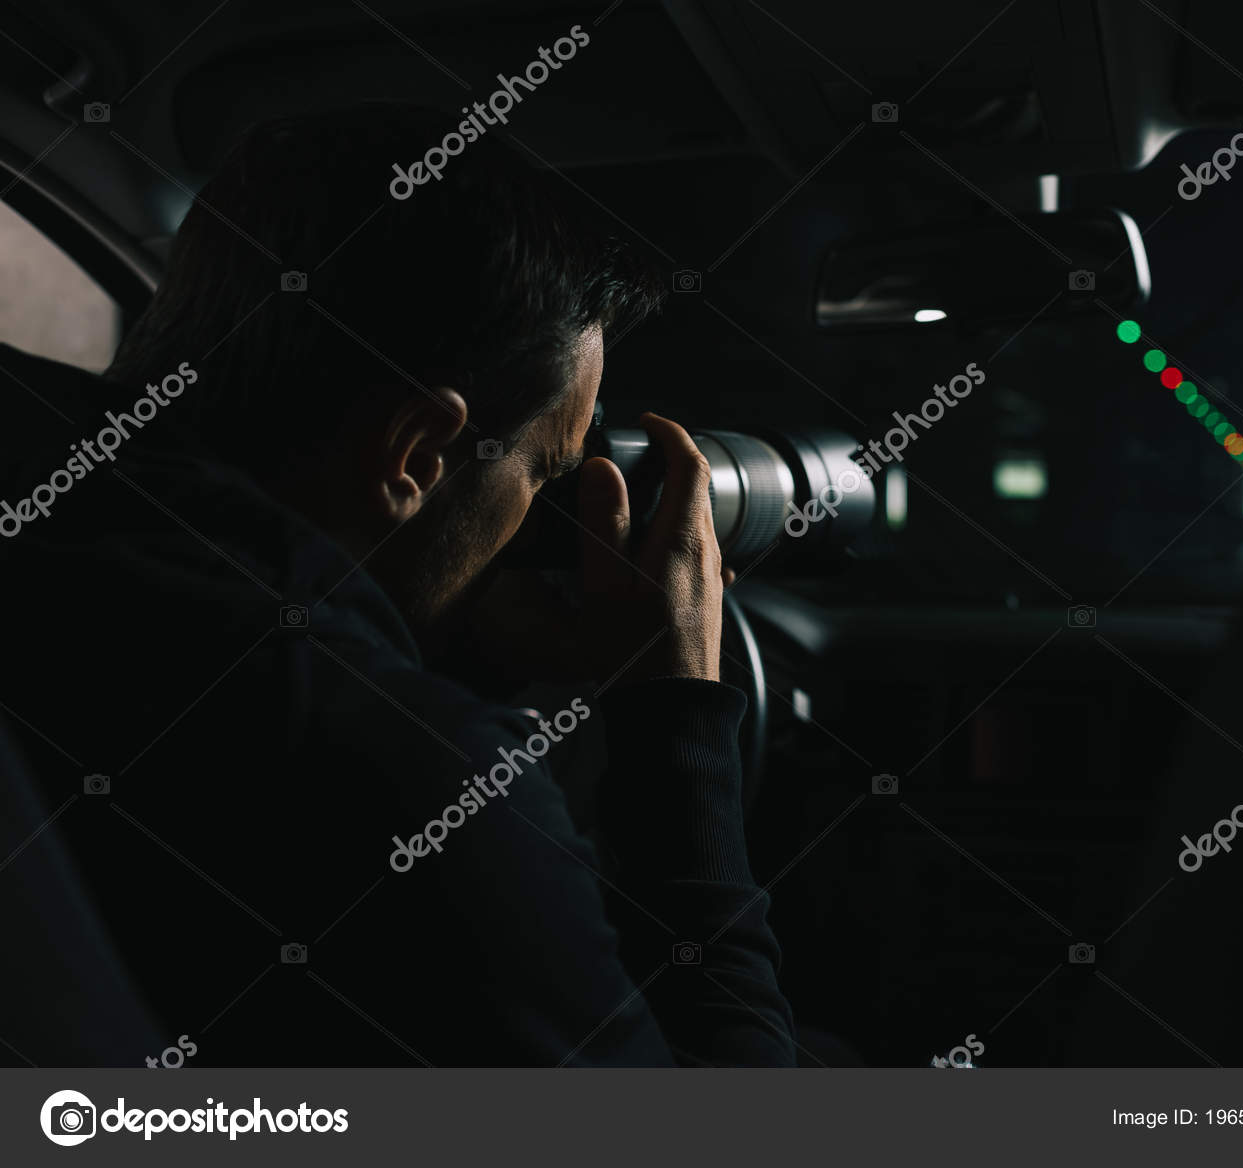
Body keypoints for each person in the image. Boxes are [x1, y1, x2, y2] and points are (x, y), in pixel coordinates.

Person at [0, 104, 794, 1066]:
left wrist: (439, 643)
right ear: (416, 452)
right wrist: (677, 725)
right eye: (547, 472)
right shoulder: (414, 783)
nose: (551, 513)